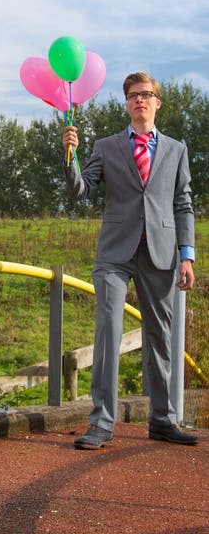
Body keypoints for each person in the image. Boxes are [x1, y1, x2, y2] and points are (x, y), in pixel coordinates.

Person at [62, 72, 197, 450]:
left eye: (147, 94)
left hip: (160, 253)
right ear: (127, 103)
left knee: (161, 338)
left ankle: (163, 420)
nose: (140, 100)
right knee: (109, 332)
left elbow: (183, 204)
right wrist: (69, 155)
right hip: (115, 256)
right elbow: (80, 191)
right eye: (133, 95)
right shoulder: (106, 147)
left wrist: (186, 256)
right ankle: (102, 423)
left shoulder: (176, 150)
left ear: (157, 103)